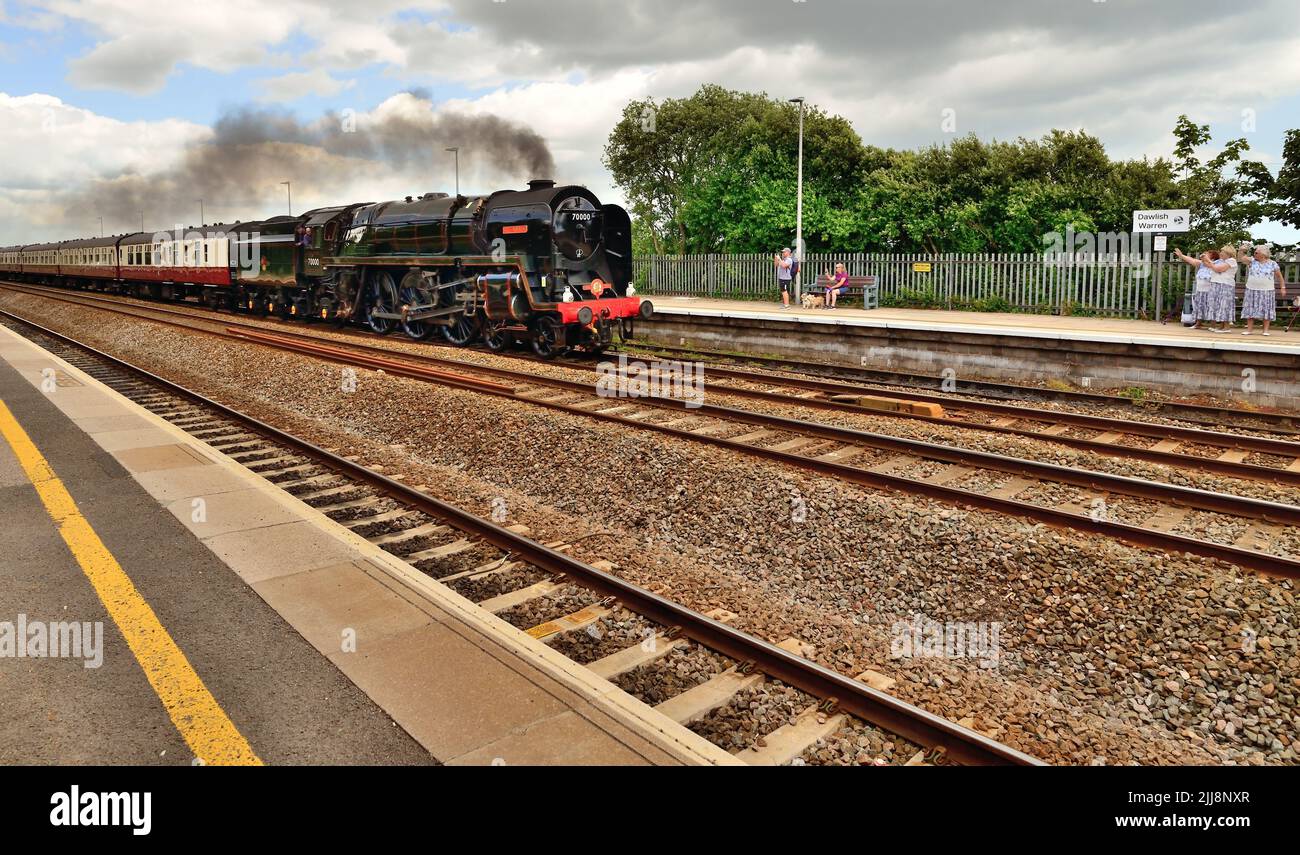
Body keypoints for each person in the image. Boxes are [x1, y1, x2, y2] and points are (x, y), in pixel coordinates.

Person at [1240, 244, 1286, 336]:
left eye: (1256, 252)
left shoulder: (1272, 263)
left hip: (1267, 290)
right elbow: (1241, 258)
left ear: (1263, 254)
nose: (1254, 254)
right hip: (1251, 289)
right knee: (1250, 309)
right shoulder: (1252, 261)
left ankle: (1265, 330)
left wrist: (1283, 288)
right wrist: (1241, 250)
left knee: (1266, 309)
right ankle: (1249, 330)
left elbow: (1280, 277)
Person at [1173, 247, 1217, 329]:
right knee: (1199, 306)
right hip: (1200, 290)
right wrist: (1181, 255)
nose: (1204, 255)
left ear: (1212, 256)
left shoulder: (1215, 264)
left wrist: (1207, 260)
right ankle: (1198, 323)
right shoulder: (1201, 264)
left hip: (1210, 291)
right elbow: (1191, 260)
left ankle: (1213, 325)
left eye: (1207, 254)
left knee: (1211, 307)